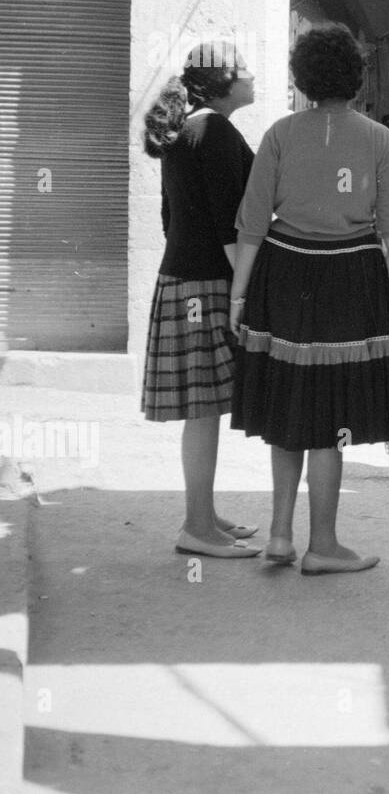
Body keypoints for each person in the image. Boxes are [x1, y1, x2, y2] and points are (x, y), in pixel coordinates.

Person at [229, 24, 389, 575]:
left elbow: (251, 224)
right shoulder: (379, 140)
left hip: (283, 273)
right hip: (350, 279)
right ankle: (324, 546)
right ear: (356, 79)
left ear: (303, 78)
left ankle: (279, 535)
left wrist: (238, 296)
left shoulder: (280, 134)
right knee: (329, 418)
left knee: (288, 408)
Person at [141, 43, 262, 559]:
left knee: (204, 407)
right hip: (205, 285)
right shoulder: (212, 130)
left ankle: (205, 515)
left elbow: (170, 218)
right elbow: (227, 226)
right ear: (222, 82)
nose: (253, 74)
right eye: (243, 68)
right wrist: (248, 289)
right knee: (204, 409)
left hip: (185, 280)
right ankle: (196, 527)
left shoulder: (194, 127)